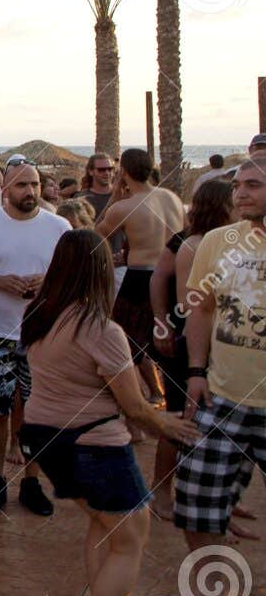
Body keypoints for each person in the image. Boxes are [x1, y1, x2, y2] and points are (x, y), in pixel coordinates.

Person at [21, 230, 198, 596]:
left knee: (104, 527)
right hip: (94, 447)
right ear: (101, 270)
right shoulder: (102, 330)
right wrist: (171, 426)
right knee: (130, 539)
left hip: (43, 438)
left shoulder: (38, 313)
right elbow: (134, 406)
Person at [142, 157, 266, 596]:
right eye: (238, 186)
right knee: (196, 502)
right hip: (222, 395)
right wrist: (195, 371)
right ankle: (208, 595)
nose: (241, 193)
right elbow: (202, 310)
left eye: (253, 185)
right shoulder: (218, 242)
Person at [0, 161, 71, 515]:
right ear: (5, 190)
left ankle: (32, 481)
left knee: (37, 409)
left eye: (35, 184)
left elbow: (71, 273)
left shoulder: (59, 226)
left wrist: (47, 283)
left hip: (43, 335)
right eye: (22, 186)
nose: (30, 192)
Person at [147, 178, 238, 524]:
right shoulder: (194, 243)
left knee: (214, 424)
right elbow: (183, 296)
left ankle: (209, 497)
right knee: (182, 417)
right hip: (194, 346)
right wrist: (162, 322)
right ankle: (162, 489)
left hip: (215, 346)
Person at [95, 148, 186, 405]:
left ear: (122, 172)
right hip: (173, 276)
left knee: (123, 344)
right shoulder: (172, 198)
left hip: (140, 279)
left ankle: (132, 405)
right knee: (169, 339)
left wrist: (114, 197)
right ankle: (169, 397)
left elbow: (95, 236)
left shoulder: (124, 207)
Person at [81, 151, 118, 219]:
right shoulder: (82, 199)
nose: (107, 173)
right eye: (101, 170)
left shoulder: (123, 195)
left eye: (110, 169)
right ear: (91, 172)